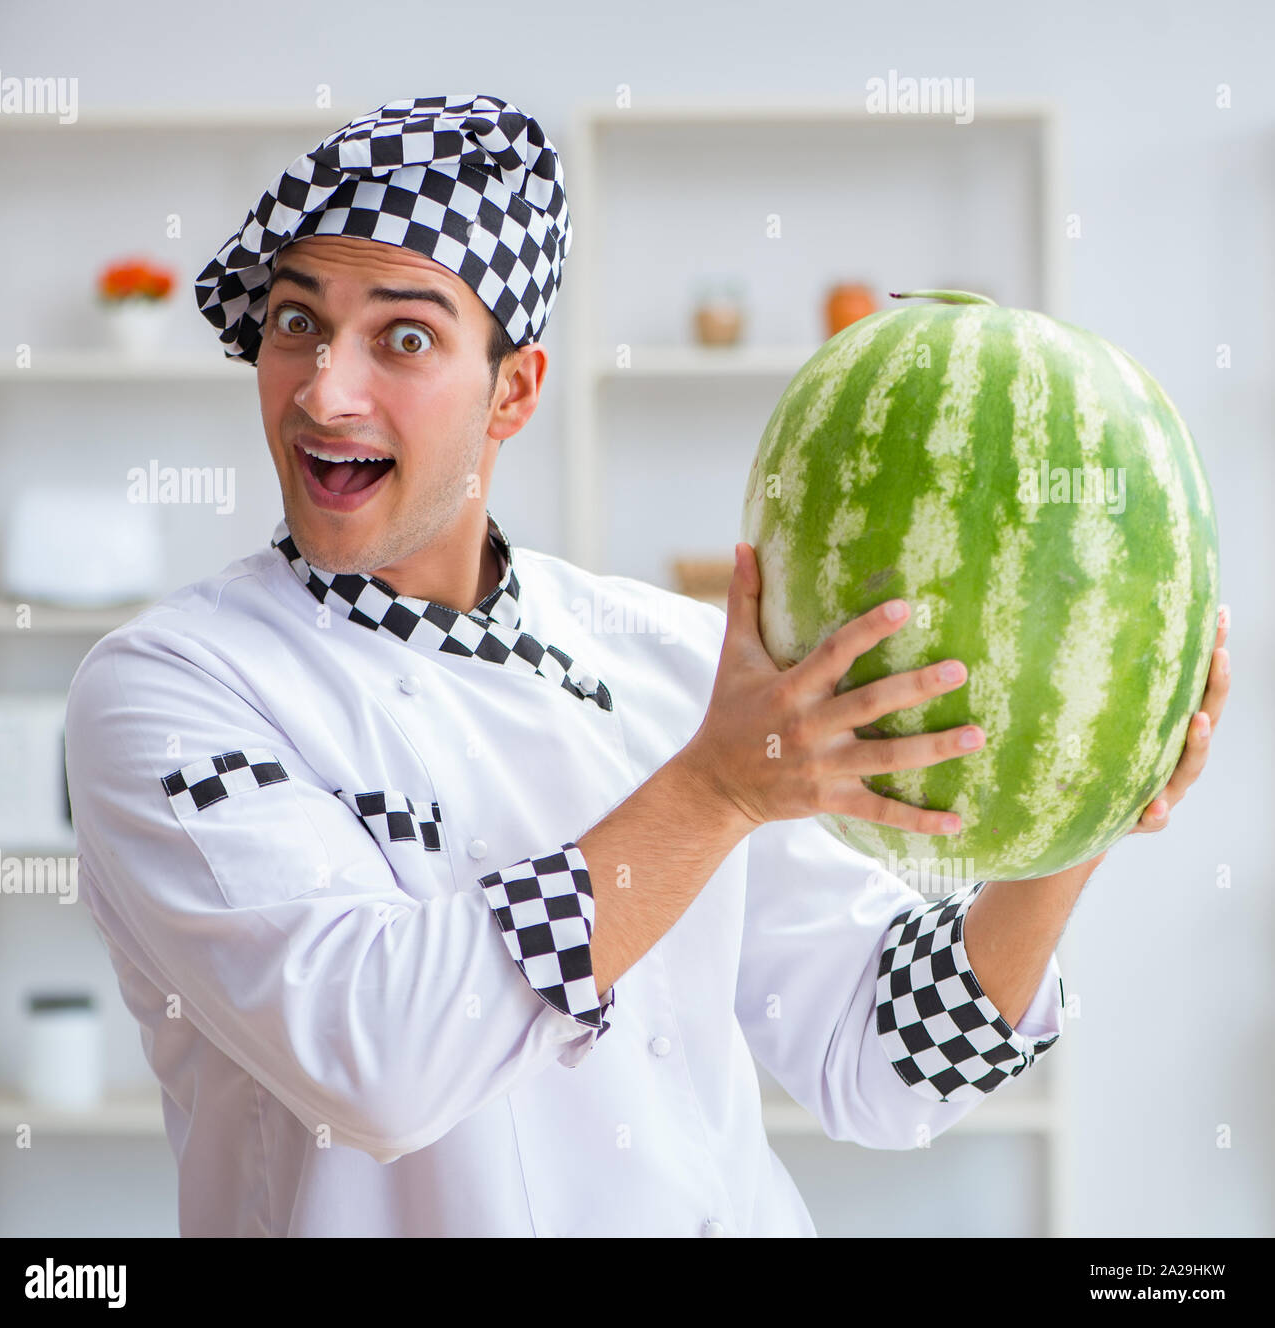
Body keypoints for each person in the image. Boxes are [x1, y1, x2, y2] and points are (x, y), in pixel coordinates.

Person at [63, 93, 1230, 1238]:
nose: (324, 389)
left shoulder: (667, 653)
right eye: (296, 324)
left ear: (513, 390)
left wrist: (1080, 803)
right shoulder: (168, 689)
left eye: (403, 336)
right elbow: (377, 1057)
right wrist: (716, 791)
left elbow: (877, 1060)